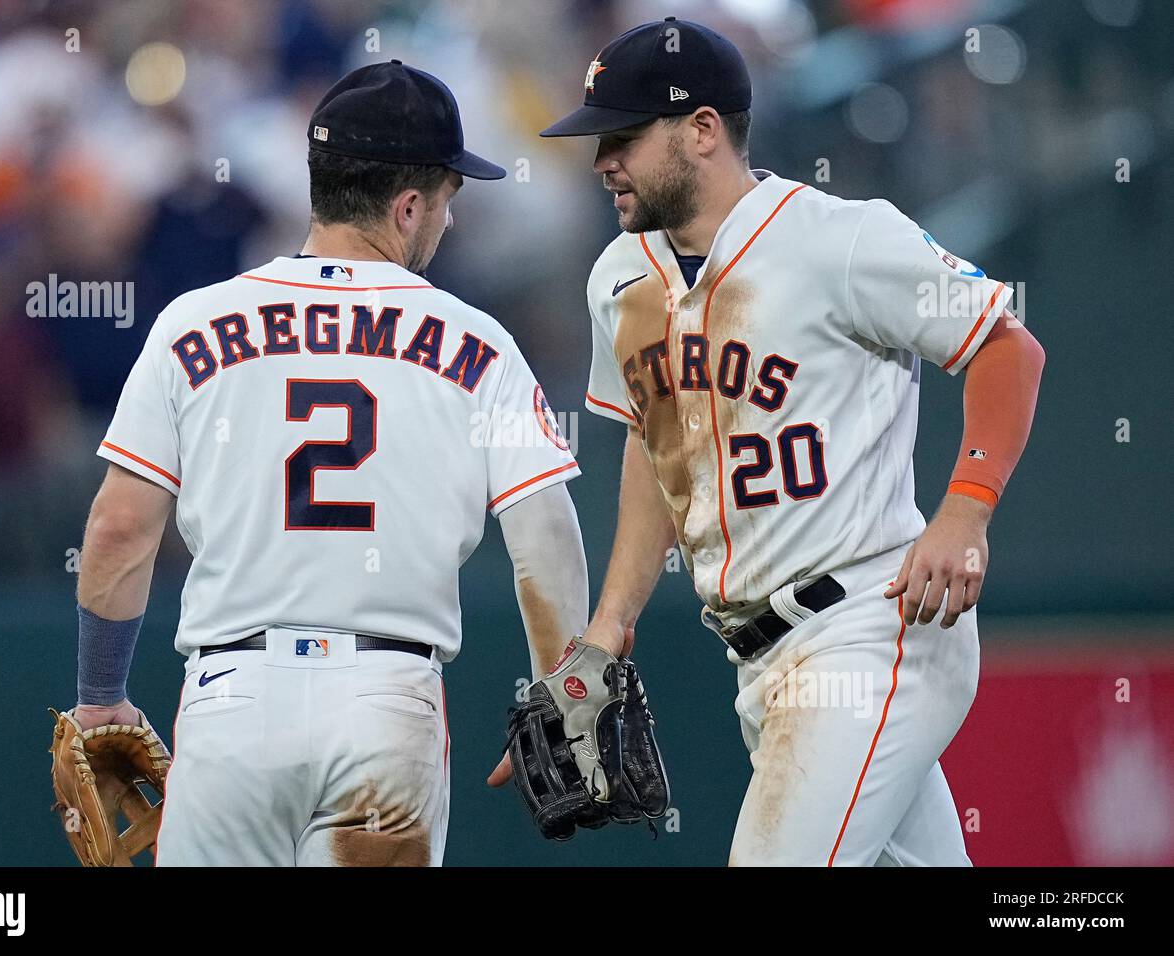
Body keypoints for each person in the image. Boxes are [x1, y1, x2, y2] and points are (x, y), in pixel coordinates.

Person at [535, 18, 1045, 865]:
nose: (601, 161)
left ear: (702, 129)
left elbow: (1006, 345)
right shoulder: (617, 278)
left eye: (621, 136)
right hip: (759, 662)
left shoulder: (839, 238)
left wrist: (965, 512)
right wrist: (607, 629)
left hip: (872, 625)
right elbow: (652, 446)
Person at [68, 60, 587, 866]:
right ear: (409, 205)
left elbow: (118, 529)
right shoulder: (478, 343)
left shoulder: (193, 323)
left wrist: (101, 699)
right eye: (447, 202)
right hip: (387, 704)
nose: (445, 225)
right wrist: (565, 700)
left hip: (231, 701)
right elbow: (543, 536)